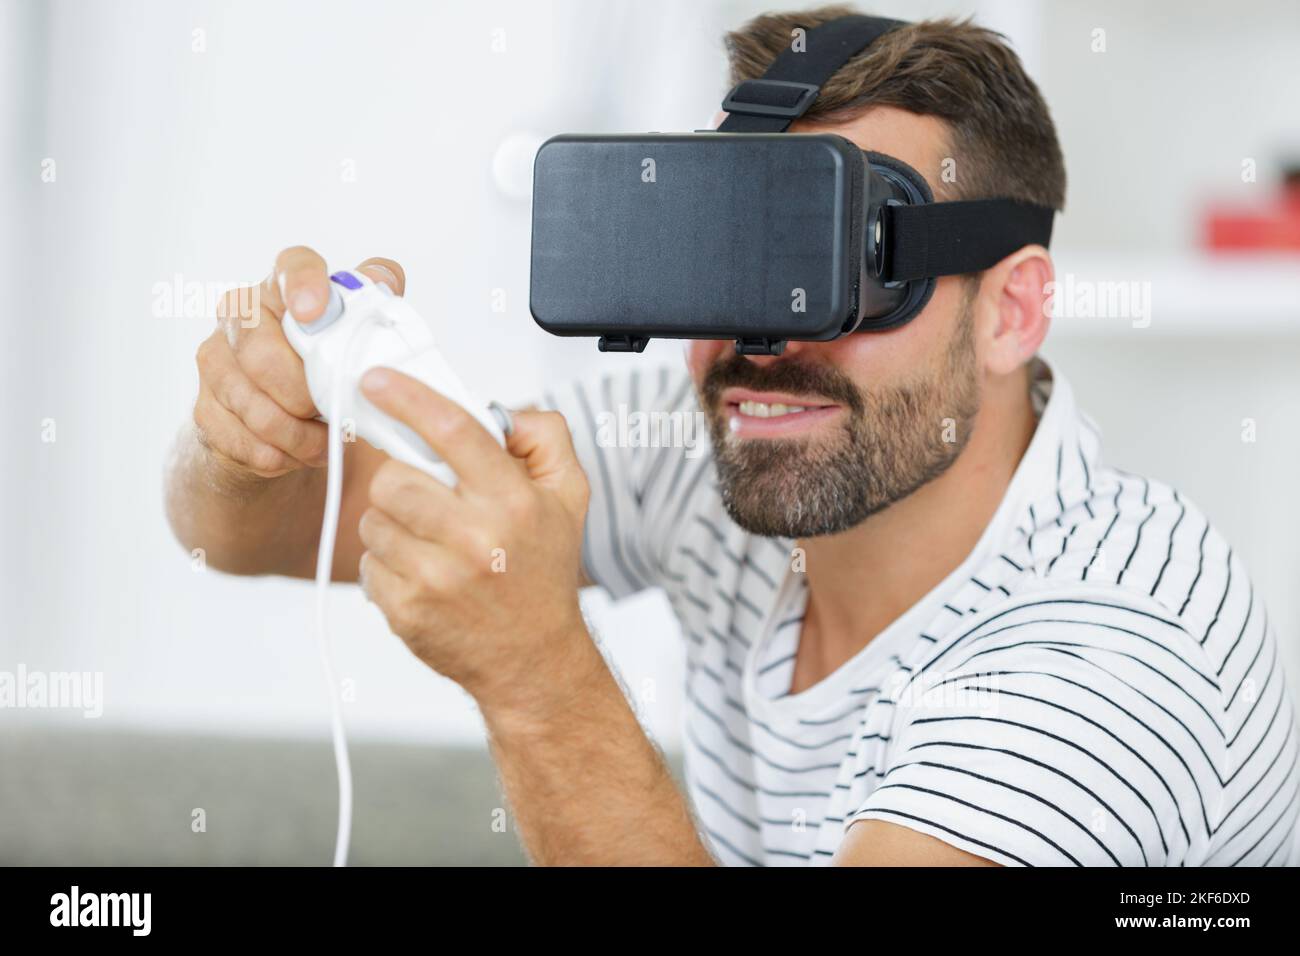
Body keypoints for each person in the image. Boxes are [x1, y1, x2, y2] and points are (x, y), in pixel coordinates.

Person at [164, 7, 1299, 866]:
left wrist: (536, 677)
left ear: (1010, 309)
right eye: (733, 255)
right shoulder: (710, 438)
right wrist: (252, 434)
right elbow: (247, 531)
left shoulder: (1105, 656)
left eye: (834, 268)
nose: (760, 339)